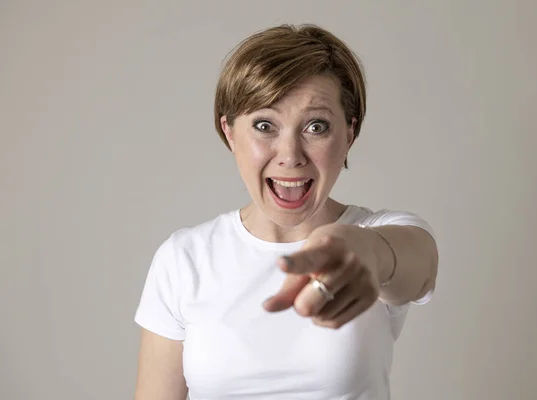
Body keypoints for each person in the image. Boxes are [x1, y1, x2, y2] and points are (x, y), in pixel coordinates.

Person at [133, 24, 439, 400]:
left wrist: (367, 252)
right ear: (229, 132)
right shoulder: (184, 259)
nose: (291, 154)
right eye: (265, 125)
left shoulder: (380, 231)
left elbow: (418, 265)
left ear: (349, 135)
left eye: (316, 126)